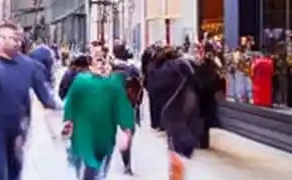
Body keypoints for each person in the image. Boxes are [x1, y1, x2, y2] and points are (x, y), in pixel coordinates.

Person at [0, 22, 60, 180]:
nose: (7, 41)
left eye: (12, 37)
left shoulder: (30, 66)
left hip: (19, 123)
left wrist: (63, 109)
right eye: (2, 37)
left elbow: (45, 95)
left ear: (19, 41)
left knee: (15, 166)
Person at [63, 52, 135, 180]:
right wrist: (68, 120)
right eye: (98, 61)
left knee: (101, 162)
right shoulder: (81, 81)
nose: (101, 65)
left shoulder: (114, 85)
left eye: (104, 61)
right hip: (84, 131)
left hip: (106, 132)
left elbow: (123, 107)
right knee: (89, 162)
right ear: (90, 66)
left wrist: (127, 129)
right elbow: (71, 100)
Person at [148, 46, 204, 168]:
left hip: (172, 106)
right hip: (188, 104)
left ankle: (179, 159)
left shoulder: (163, 70)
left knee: (175, 140)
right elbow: (198, 84)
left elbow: (155, 88)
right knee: (184, 131)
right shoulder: (186, 65)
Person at [110, 43, 145, 172]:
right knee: (128, 132)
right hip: (127, 105)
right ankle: (127, 163)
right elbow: (140, 85)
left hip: (111, 105)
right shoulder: (131, 69)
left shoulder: (108, 68)